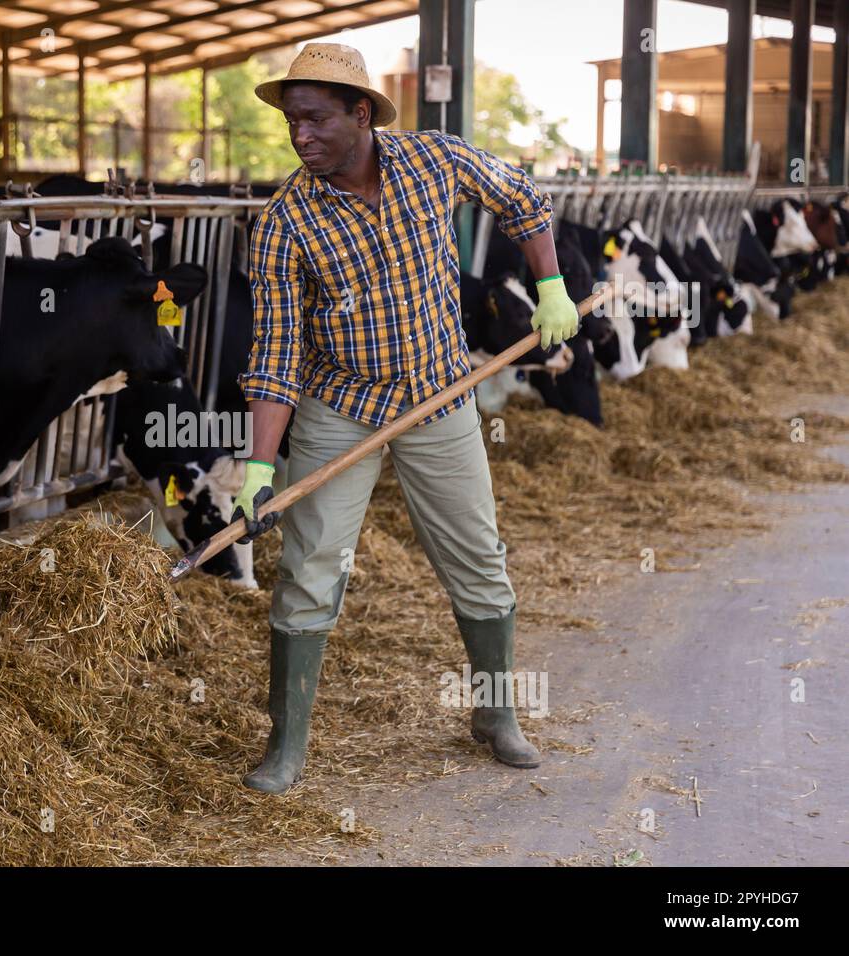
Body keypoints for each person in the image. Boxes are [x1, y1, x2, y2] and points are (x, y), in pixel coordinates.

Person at [232, 43, 580, 795]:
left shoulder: (433, 161)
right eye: (292, 122)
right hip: (342, 406)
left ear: (362, 113)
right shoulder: (285, 223)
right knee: (309, 573)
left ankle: (496, 715)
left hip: (441, 396)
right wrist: (260, 467)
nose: (301, 136)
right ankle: (286, 743)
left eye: (317, 118)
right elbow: (277, 354)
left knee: (479, 560)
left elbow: (522, 198)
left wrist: (549, 283)